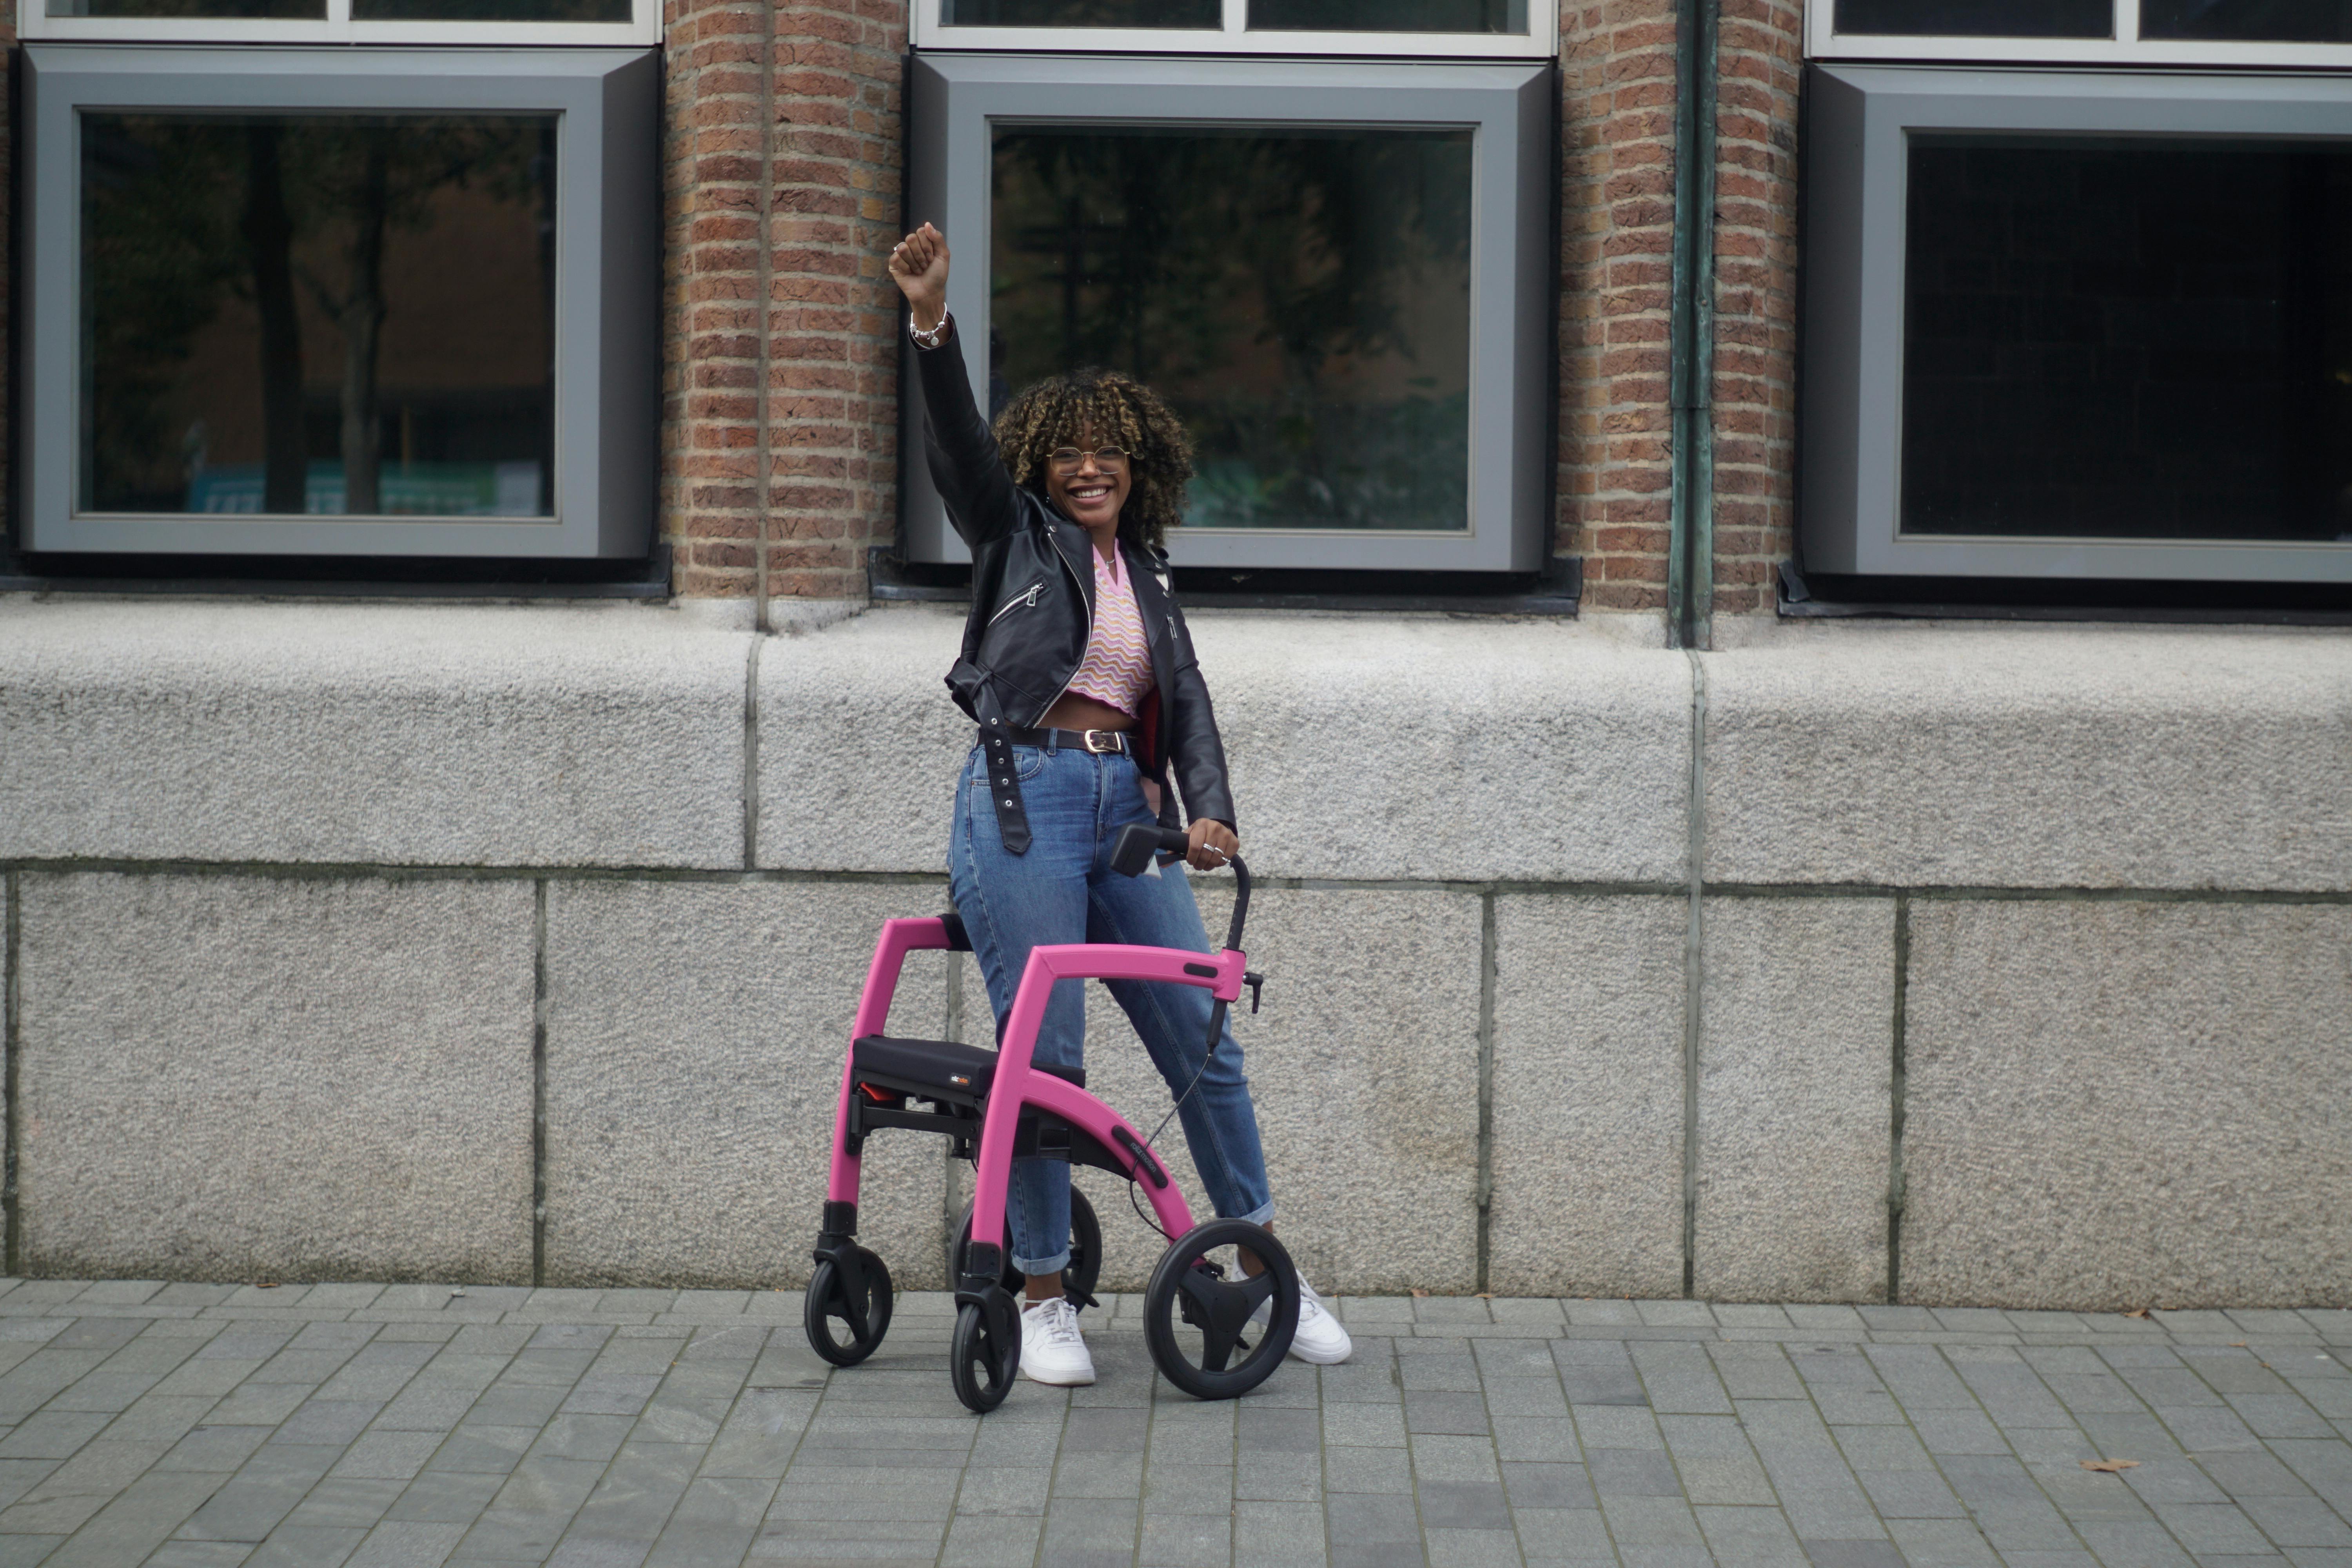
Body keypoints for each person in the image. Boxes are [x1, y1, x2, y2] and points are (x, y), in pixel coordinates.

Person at [888, 221, 1352, 1387]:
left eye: (1110, 455)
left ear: (1139, 467)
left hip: (1130, 821)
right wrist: (932, 325)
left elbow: (1184, 699)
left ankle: (1261, 1269)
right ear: (1042, 466)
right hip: (1026, 799)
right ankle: (1041, 1291)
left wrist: (1211, 811)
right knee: (1048, 1059)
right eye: (1068, 455)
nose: (1089, 468)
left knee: (1206, 1042)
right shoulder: (1014, 535)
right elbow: (955, 449)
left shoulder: (1145, 574)